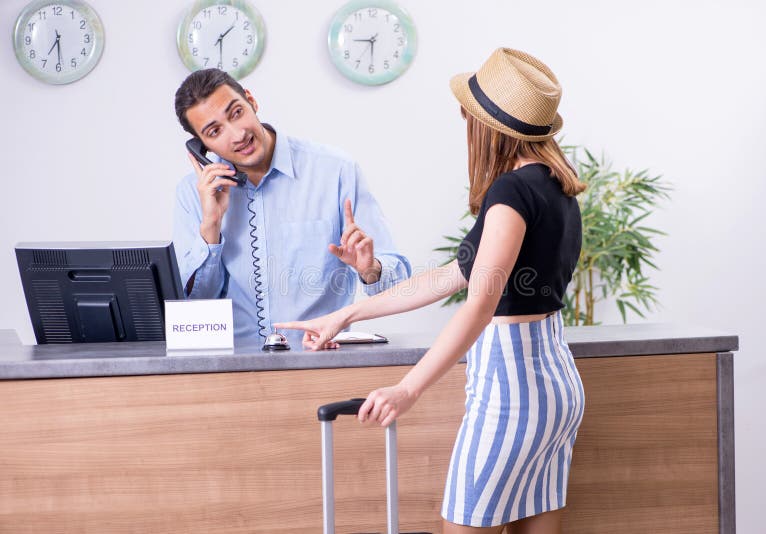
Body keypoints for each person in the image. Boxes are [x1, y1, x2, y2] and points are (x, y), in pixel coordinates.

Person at [276, 48, 587, 533]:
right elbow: (452, 275)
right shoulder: (555, 187)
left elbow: (480, 304)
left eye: (468, 117)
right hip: (556, 385)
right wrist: (345, 315)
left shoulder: (511, 192)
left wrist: (407, 388)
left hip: (512, 390)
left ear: (487, 126)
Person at [172, 69, 411, 347]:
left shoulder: (335, 171)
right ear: (201, 146)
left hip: (320, 359)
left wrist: (370, 269)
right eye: (215, 131)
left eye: (236, 113)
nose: (237, 135)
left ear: (251, 100)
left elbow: (398, 285)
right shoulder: (193, 193)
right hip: (233, 364)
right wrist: (211, 226)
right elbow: (192, 308)